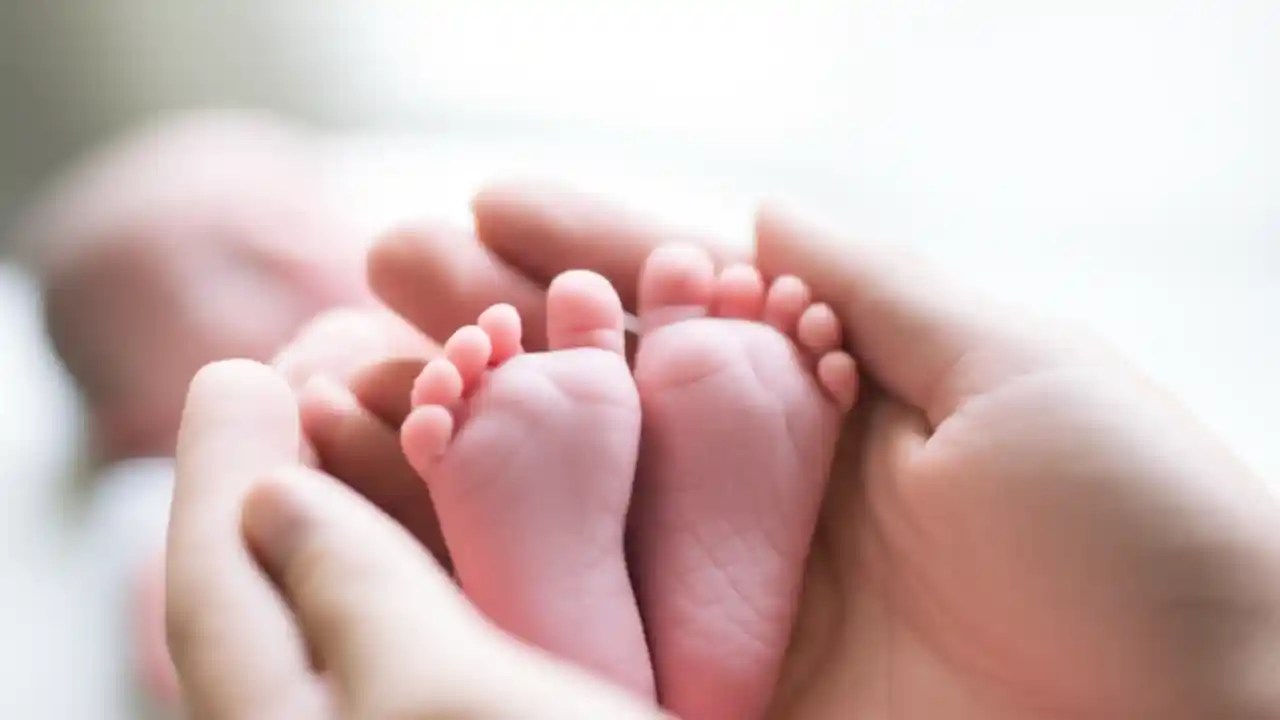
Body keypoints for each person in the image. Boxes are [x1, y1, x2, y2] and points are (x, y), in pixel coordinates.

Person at [168, 185, 1280, 719]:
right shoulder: (139, 493)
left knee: (393, 460)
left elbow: (241, 620)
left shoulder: (223, 472)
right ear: (125, 420)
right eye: (225, 266)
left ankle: (563, 650)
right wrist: (1236, 659)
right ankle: (651, 638)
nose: (283, 236)